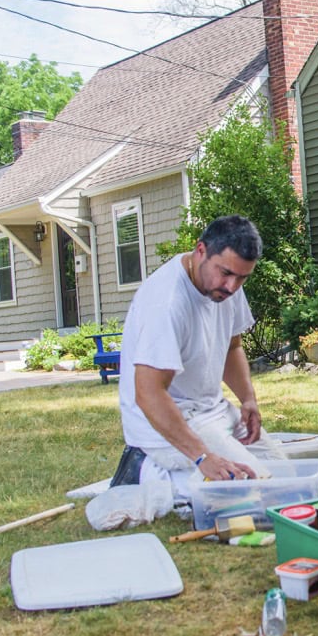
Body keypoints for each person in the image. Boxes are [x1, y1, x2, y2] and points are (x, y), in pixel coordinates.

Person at [108, 215, 278, 502]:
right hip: (165, 424)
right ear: (200, 251)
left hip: (214, 411)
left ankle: (189, 476)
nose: (232, 286)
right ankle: (149, 470)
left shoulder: (226, 285)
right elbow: (148, 393)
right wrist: (204, 458)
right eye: (225, 273)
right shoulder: (166, 303)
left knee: (282, 472)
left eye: (242, 277)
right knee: (255, 492)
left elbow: (232, 346)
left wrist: (248, 399)